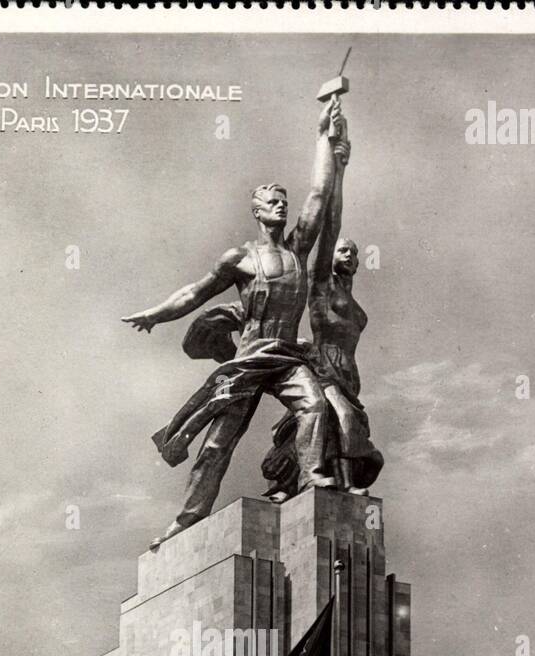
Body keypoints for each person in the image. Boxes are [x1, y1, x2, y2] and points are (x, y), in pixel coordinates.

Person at [124, 99, 346, 550]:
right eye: (273, 203)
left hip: (285, 356)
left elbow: (320, 196)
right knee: (215, 447)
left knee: (315, 408)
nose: (282, 208)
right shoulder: (241, 258)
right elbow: (195, 292)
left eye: (284, 202)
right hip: (248, 359)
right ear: (257, 212)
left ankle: (315, 481)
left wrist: (323, 135)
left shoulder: (298, 249)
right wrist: (154, 314)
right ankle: (187, 520)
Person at [262, 115, 383, 501]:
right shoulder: (320, 287)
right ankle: (315, 483)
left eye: (354, 253)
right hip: (324, 366)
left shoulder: (358, 309)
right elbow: (330, 222)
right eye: (342, 250)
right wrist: (340, 167)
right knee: (340, 421)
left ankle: (337, 484)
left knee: (341, 424)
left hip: (350, 376)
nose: (347, 255)